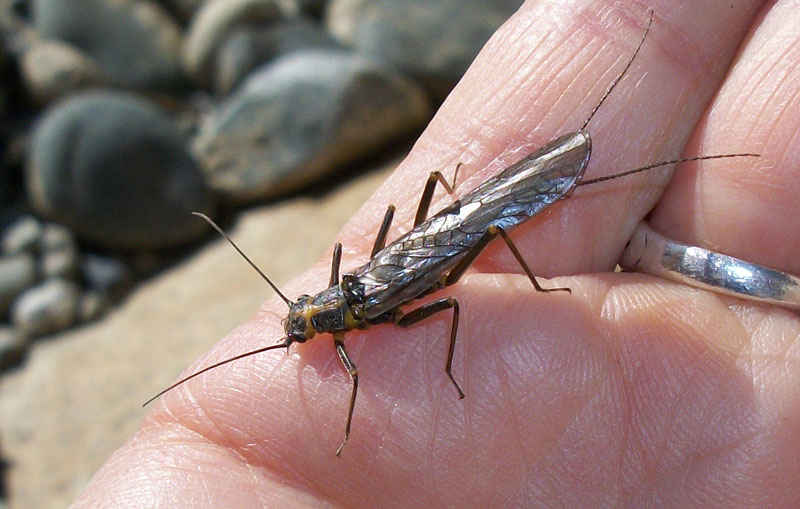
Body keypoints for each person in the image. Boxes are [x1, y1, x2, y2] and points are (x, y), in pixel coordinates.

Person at [74, 1, 800, 506]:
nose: (301, 323)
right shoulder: (344, 303)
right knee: (464, 219)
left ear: (324, 316)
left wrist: (372, 408)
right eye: (303, 320)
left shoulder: (358, 338)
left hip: (434, 251)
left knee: (476, 235)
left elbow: (415, 326)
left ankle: (552, 187)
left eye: (303, 319)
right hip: (423, 245)